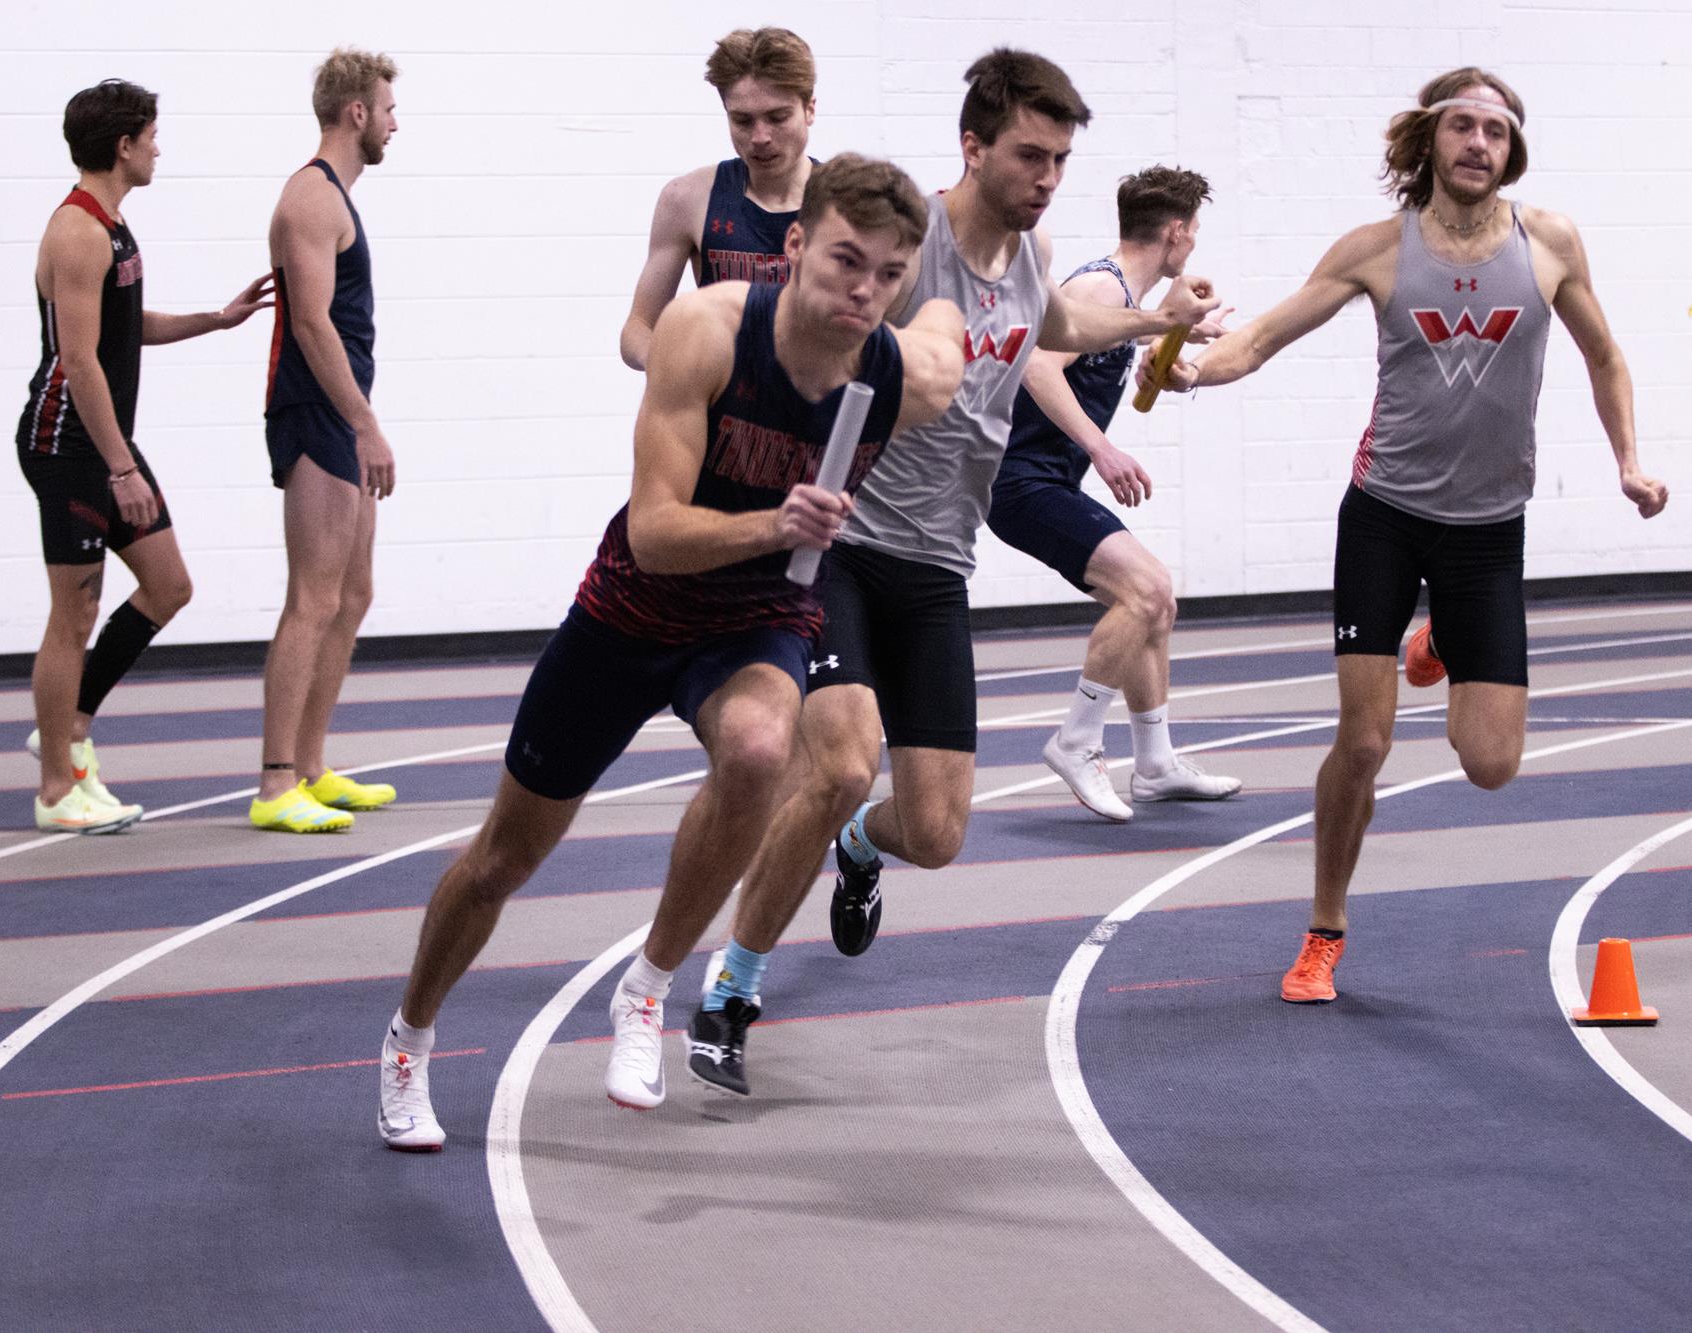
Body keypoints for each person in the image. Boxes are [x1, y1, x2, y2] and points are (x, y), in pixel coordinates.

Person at [375, 155, 967, 1148]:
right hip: (632, 612)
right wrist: (777, 525)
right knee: (501, 859)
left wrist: (978, 275)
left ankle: (647, 986)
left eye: (888, 273)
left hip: (754, 622)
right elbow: (652, 532)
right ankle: (409, 1035)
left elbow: (958, 330)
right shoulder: (707, 333)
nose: (863, 291)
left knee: (757, 750)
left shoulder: (899, 372)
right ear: (791, 248)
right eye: (842, 262)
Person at [686, 50, 1220, 1098]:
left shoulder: (1029, 258)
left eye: (1061, 158)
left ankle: (853, 844)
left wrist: (1155, 320)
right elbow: (802, 334)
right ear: (972, 146)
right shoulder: (905, 248)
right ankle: (730, 987)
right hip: (835, 546)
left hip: (935, 565)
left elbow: (1054, 330)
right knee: (842, 757)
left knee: (931, 831)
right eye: (1028, 154)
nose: (1046, 177)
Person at [1151, 68, 1669, 1003]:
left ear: (1513, 150)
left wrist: (1628, 460)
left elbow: (1605, 354)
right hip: (1386, 517)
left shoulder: (1548, 244)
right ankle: (1323, 933)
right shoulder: (1376, 251)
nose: (1478, 144)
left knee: (1493, 764)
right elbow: (1262, 337)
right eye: (1462, 127)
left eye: (1495, 133)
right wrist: (1189, 371)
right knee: (1365, 740)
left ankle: (1438, 641)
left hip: (1485, 531)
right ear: (1430, 140)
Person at [17, 78, 271, 833]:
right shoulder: (77, 232)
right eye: (152, 135)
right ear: (122, 144)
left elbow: (124, 328)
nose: (159, 146)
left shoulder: (114, 226)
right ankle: (57, 787)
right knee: (76, 613)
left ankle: (71, 727)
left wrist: (214, 320)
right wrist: (120, 467)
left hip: (104, 445)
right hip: (68, 445)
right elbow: (81, 360)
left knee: (168, 584)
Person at [989, 165, 1240, 821]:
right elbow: (1038, 363)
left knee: (1156, 605)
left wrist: (1179, 342)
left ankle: (1154, 765)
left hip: (1045, 478)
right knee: (1147, 589)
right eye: (1195, 233)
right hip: (1021, 479)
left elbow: (1130, 362)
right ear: (1178, 232)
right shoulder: (1100, 283)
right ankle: (1076, 741)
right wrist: (1102, 449)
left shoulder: (1130, 296)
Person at [250, 48, 401, 833]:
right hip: (315, 412)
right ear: (355, 115)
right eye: (387, 109)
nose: (393, 123)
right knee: (311, 596)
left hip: (342, 412)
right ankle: (276, 782)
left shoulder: (336, 198)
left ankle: (311, 763)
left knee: (353, 591)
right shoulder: (310, 198)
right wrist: (363, 421)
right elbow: (309, 322)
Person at [620, 26, 818, 372]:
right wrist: (681, 371)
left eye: (777, 117)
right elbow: (637, 330)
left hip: (815, 409)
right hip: (722, 409)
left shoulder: (849, 202)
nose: (760, 137)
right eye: (743, 120)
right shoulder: (687, 199)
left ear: (809, 110)